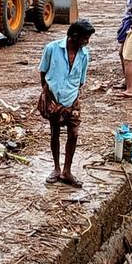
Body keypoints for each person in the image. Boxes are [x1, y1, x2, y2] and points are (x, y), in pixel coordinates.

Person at [39, 19, 96, 187]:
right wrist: (48, 95)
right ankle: (56, 169)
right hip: (54, 99)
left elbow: (81, 81)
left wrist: (71, 98)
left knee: (74, 134)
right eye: (85, 38)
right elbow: (43, 72)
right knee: (54, 132)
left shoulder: (84, 55)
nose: (87, 42)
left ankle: (67, 171)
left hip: (72, 100)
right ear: (74, 36)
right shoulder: (52, 49)